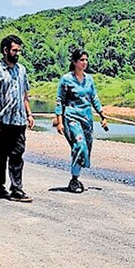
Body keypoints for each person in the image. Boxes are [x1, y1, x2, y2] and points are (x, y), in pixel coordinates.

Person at [0, 34, 34, 202]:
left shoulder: (22, 70)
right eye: (14, 50)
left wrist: (29, 114)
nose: (17, 53)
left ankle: (16, 188)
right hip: (2, 121)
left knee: (17, 154)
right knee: (0, 155)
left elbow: (24, 96)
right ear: (5, 50)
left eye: (19, 50)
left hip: (19, 121)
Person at [54, 49, 108, 193]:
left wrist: (102, 115)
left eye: (86, 60)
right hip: (71, 118)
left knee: (86, 149)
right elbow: (60, 100)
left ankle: (76, 176)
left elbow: (94, 98)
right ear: (74, 62)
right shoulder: (66, 79)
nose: (84, 63)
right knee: (79, 145)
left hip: (87, 118)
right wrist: (59, 121)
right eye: (81, 60)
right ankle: (74, 179)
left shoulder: (89, 79)